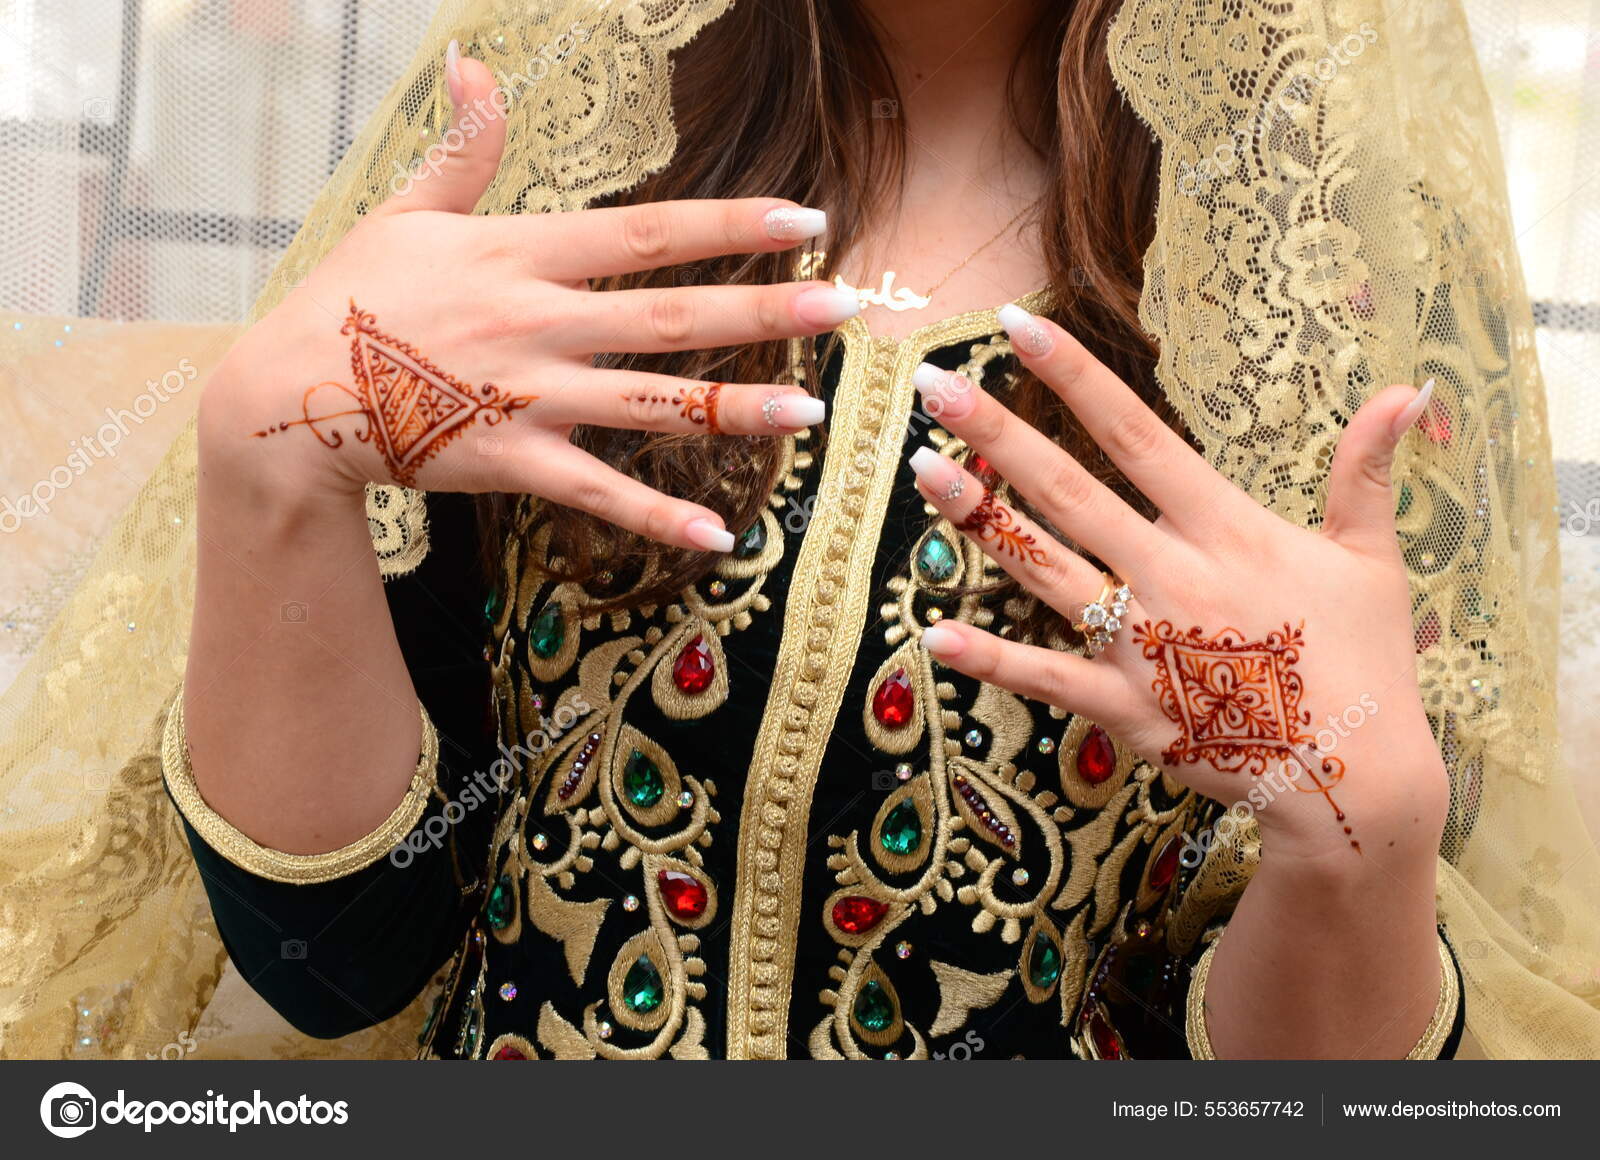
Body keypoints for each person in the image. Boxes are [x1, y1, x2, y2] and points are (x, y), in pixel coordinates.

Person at [4, 0, 1597, 1061]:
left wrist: (1357, 850)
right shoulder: (560, 151)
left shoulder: (1315, 288)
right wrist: (271, 463)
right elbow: (340, 952)